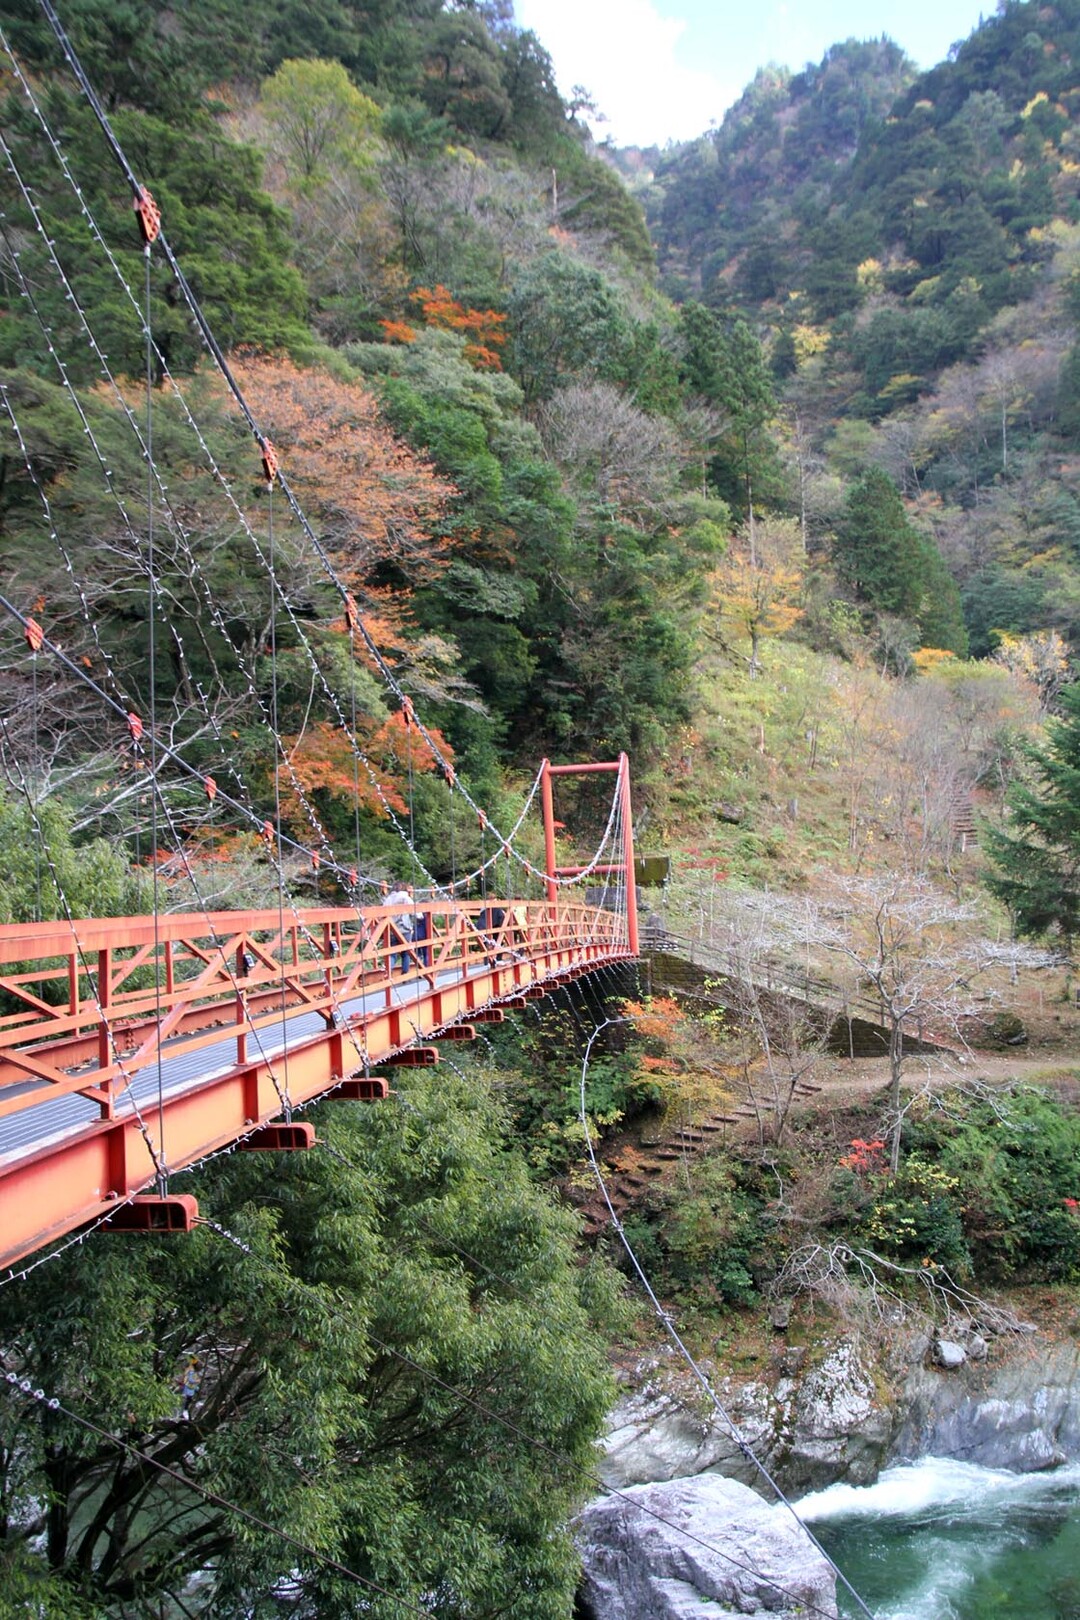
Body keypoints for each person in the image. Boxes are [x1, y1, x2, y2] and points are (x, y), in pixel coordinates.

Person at [384, 882, 414, 973]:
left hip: (392, 929)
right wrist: (420, 917)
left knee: (392, 953)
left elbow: (382, 913)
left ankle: (388, 972)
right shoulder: (405, 898)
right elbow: (415, 911)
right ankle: (405, 974)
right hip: (404, 929)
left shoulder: (388, 899)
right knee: (406, 953)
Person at [179, 1355, 203, 1421]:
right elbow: (190, 1380)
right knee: (188, 1400)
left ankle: (196, 1403)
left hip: (192, 1387)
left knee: (194, 1395)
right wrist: (197, 1381)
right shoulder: (191, 1372)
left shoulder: (193, 1372)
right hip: (189, 1387)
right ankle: (184, 1411)